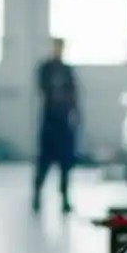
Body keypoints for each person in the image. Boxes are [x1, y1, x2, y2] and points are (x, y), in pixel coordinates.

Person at [33, 37, 79, 213]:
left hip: (64, 122)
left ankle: (65, 199)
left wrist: (74, 114)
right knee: (44, 161)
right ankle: (37, 196)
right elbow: (43, 90)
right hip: (50, 121)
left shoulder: (67, 70)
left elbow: (74, 93)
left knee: (65, 162)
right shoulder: (45, 69)